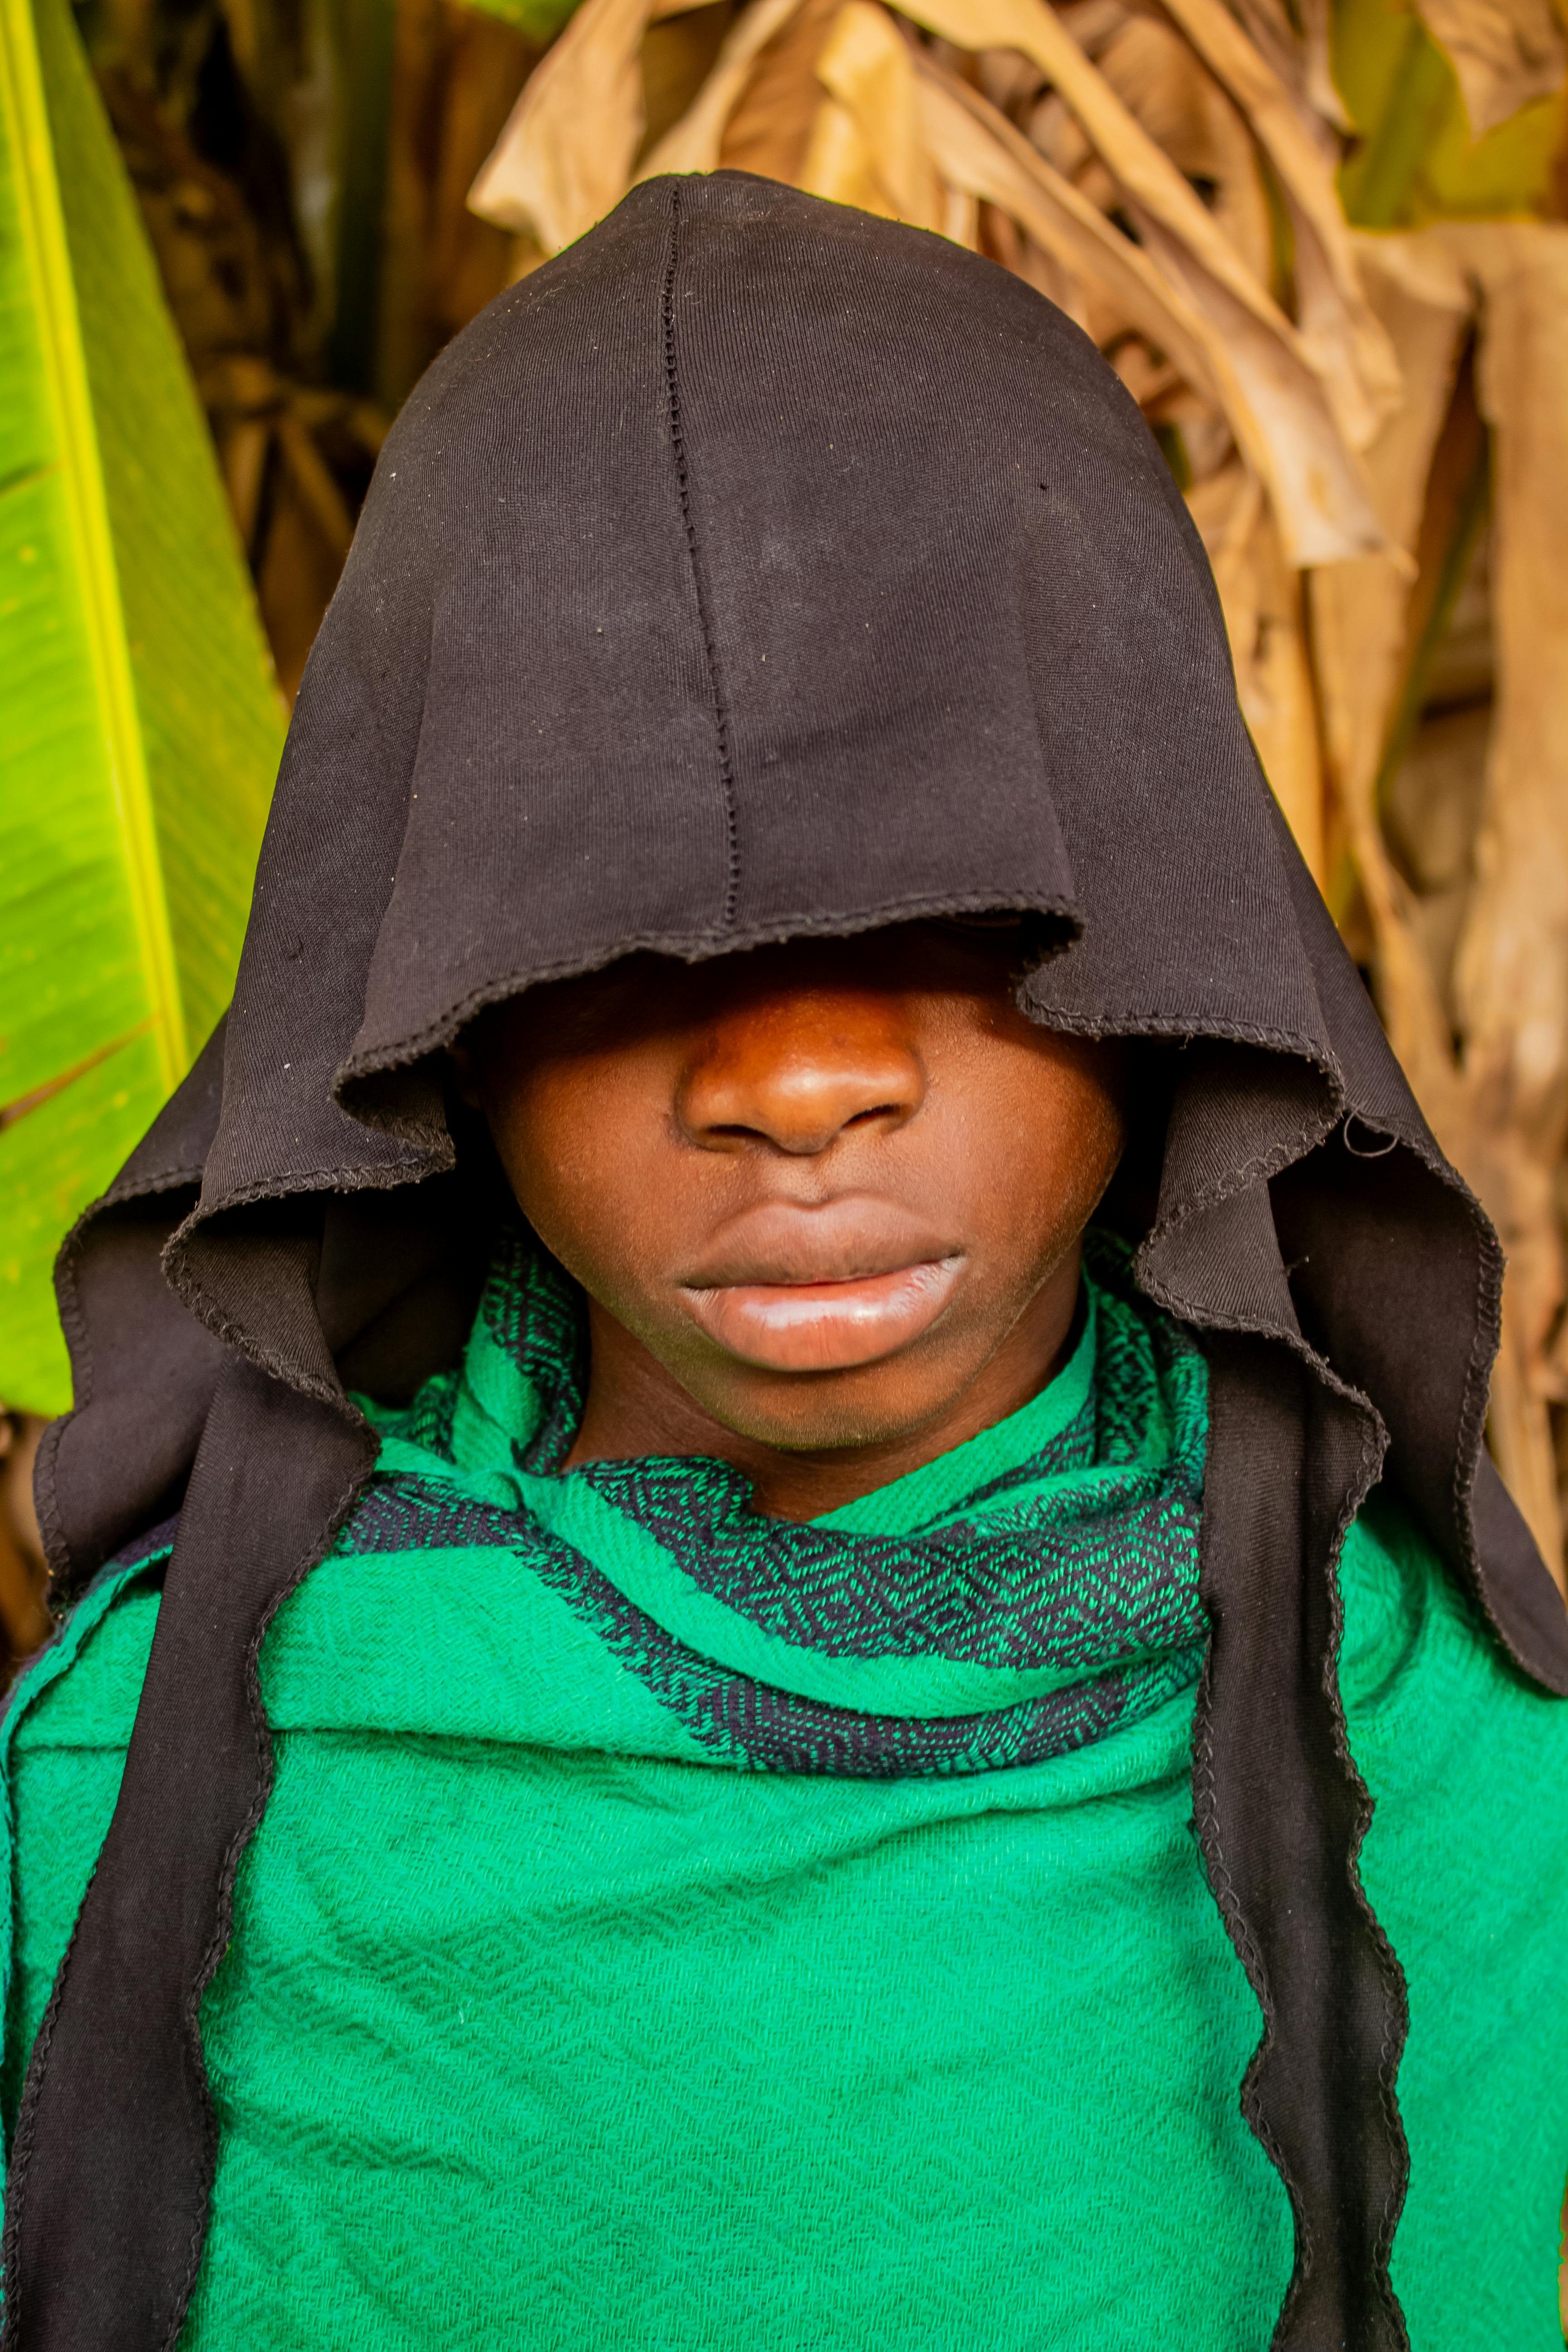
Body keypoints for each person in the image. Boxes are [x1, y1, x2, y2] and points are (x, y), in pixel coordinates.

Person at [5, 172, 1567, 2352]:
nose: (802, 1074)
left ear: (1167, 950)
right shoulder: (123, 1795)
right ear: (438, 1017)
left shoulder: (1456, 1764)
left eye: (963, 917)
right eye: (618, 942)